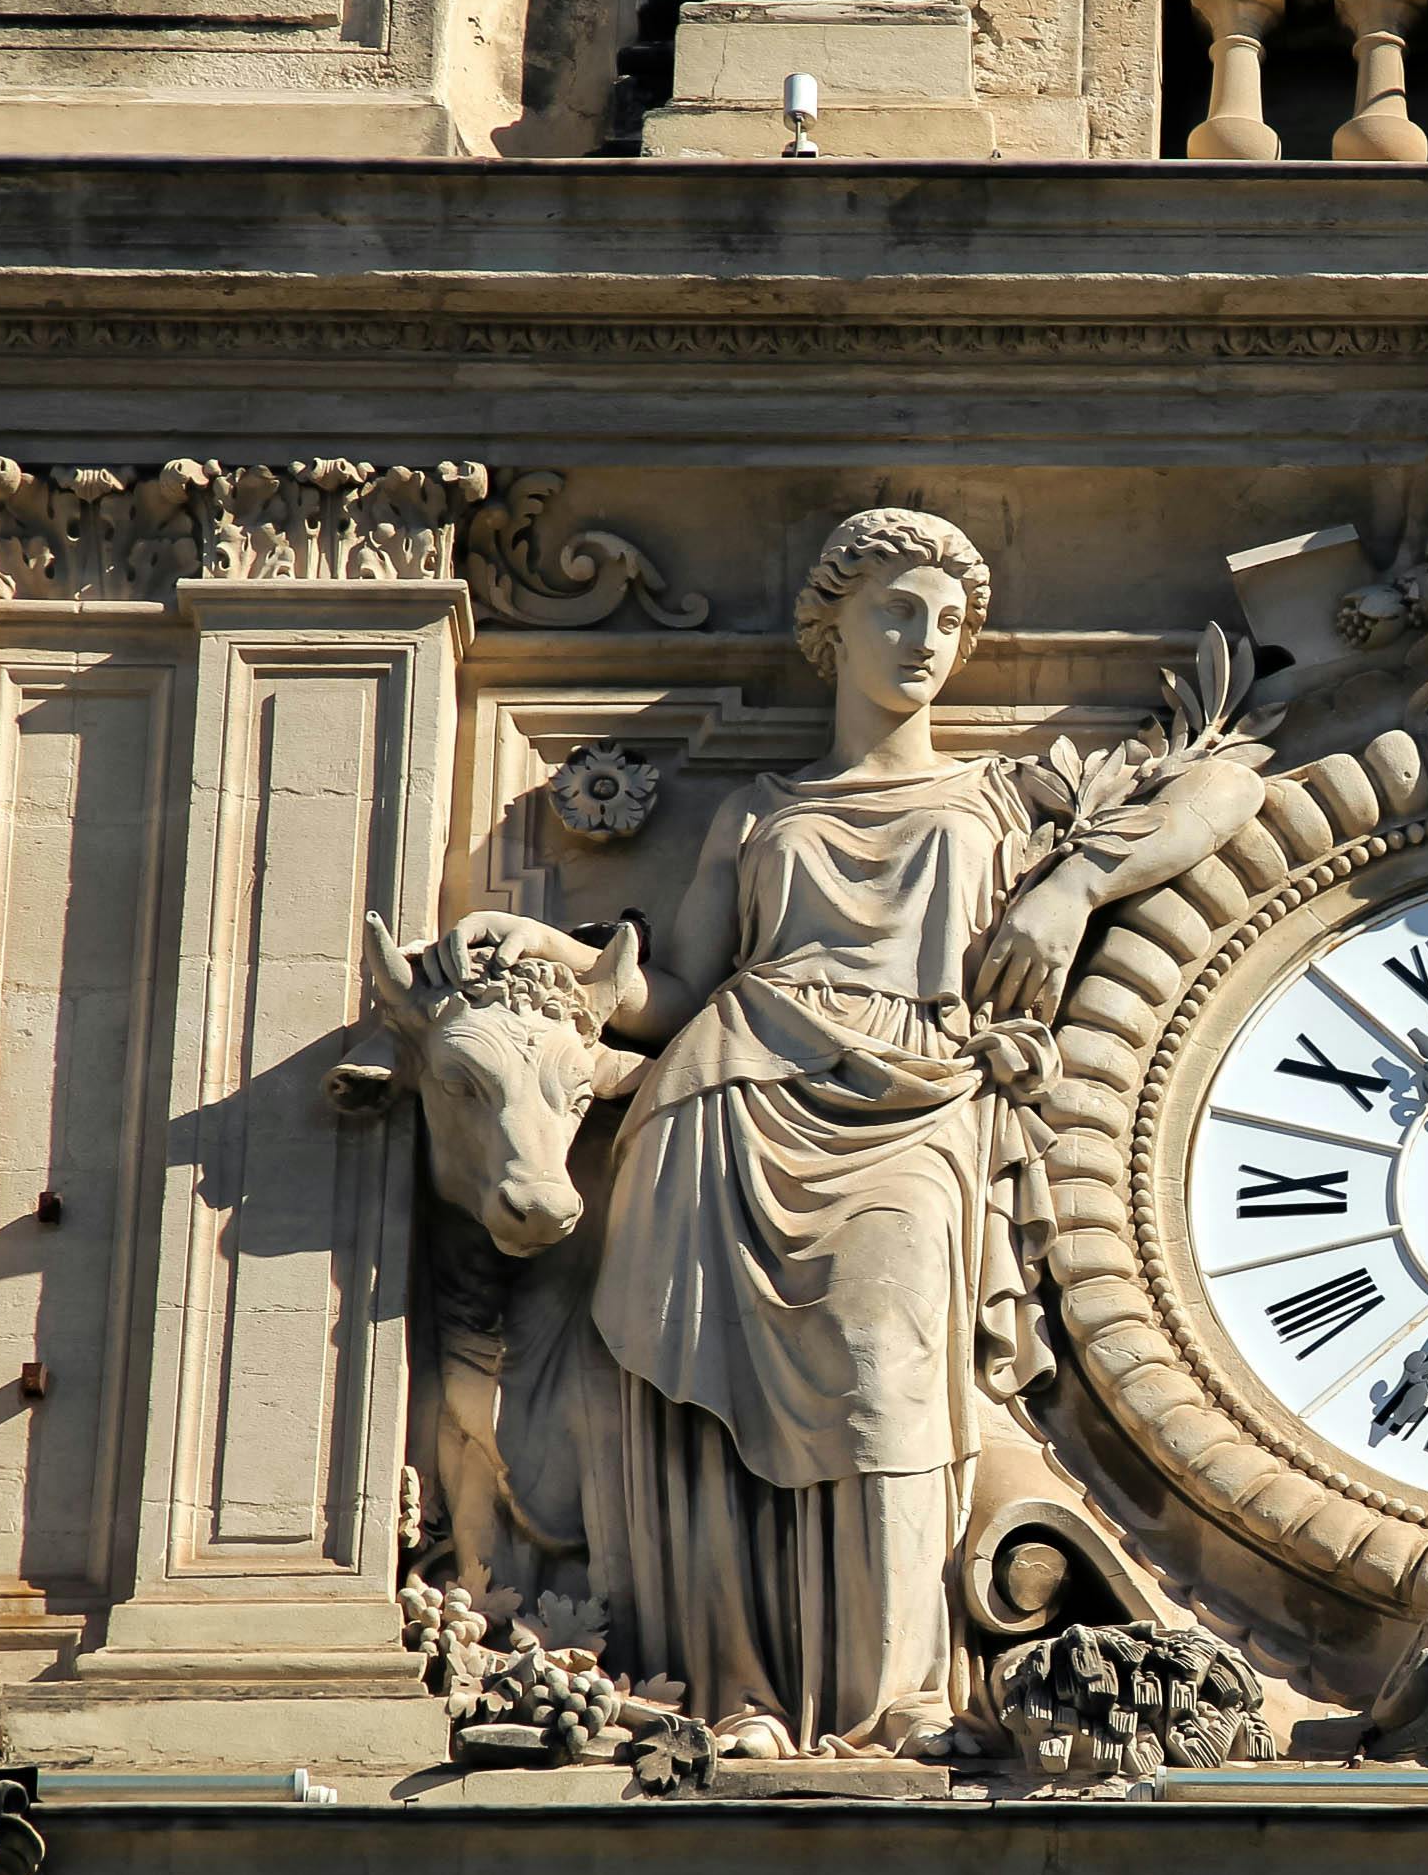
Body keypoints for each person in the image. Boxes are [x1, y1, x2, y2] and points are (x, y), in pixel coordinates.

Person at [449, 508, 1264, 1757]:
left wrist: (1069, 881)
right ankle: (743, 1694)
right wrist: (554, 973)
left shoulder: (1006, 796)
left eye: (948, 619)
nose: (925, 640)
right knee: (704, 1421)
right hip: (723, 1109)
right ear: (828, 631)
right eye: (895, 610)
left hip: (917, 1111)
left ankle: (900, 1706)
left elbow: (1227, 781)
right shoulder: (761, 813)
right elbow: (673, 994)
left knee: (890, 1378)